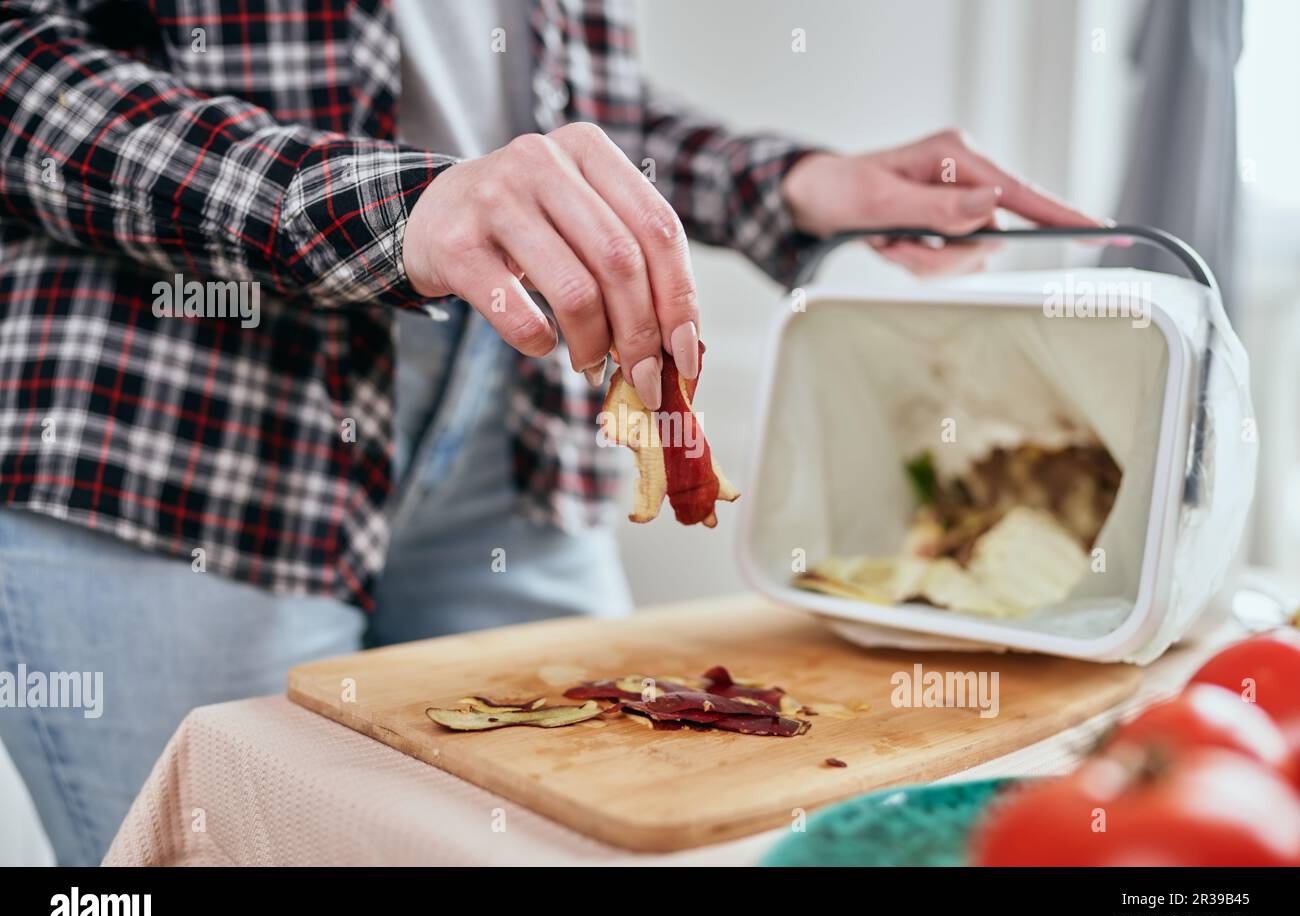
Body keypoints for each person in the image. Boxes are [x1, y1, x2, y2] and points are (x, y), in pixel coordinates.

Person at [0, 0, 1102, 865]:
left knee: (600, 822)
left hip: (517, 416)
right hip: (178, 425)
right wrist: (387, 207)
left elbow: (563, 117)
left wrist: (799, 183)